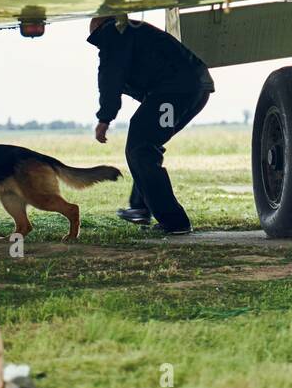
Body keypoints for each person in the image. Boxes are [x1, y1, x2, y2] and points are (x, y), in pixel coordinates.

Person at [88, 14, 214, 234]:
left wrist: (104, 118)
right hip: (192, 89)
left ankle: (174, 222)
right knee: (145, 147)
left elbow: (111, 77)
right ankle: (141, 208)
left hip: (175, 91)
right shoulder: (131, 32)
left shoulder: (113, 33)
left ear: (98, 27)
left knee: (141, 148)